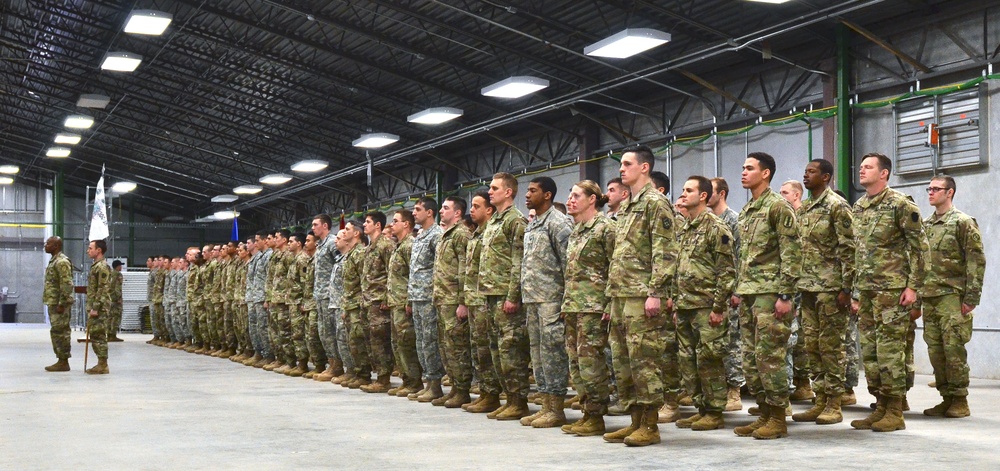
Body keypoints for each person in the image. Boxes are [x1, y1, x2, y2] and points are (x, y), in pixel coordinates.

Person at [603, 145, 679, 447]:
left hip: (641, 295)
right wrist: (611, 298)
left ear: (644, 168)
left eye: (627, 164)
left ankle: (650, 424)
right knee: (623, 361)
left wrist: (656, 292)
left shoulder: (655, 203)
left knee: (644, 360)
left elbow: (665, 250)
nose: (622, 169)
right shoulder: (629, 206)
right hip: (622, 295)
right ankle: (635, 419)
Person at [850, 152, 927, 433]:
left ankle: (895, 409)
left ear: (884, 174)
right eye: (861, 167)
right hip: (868, 290)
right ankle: (880, 405)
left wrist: (913, 287)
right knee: (870, 351)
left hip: (893, 290)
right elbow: (856, 252)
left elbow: (920, 247)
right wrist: (856, 291)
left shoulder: (900, 204)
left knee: (890, 350)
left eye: (868, 167)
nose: (861, 170)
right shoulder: (859, 206)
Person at [731, 152, 800, 440]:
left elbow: (792, 252)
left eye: (750, 168)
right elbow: (744, 256)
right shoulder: (748, 211)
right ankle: (764, 413)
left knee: (770, 357)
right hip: (749, 292)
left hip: (771, 294)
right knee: (751, 359)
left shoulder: (778, 207)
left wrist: (786, 294)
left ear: (766, 173)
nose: (744, 172)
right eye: (743, 167)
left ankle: (778, 417)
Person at [790, 160, 855, 425]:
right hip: (807, 287)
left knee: (831, 347)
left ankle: (835, 402)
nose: (806, 175)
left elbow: (849, 248)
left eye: (812, 172)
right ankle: (819, 399)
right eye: (804, 171)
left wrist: (847, 288)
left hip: (830, 288)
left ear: (826, 176)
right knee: (811, 346)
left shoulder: (837, 206)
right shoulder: (805, 208)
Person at [671, 176, 736, 431]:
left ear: (704, 196)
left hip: (707, 306)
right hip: (686, 305)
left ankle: (714, 410)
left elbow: (726, 272)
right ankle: (700, 407)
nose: (684, 194)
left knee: (709, 360)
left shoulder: (716, 228)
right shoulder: (686, 228)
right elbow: (679, 269)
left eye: (689, 190)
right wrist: (677, 304)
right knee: (688, 361)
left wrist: (719, 308)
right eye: (683, 189)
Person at [920, 175, 985, 418]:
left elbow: (976, 261)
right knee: (935, 351)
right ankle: (946, 397)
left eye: (936, 189)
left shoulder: (963, 222)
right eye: (929, 188)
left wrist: (971, 297)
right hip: (930, 295)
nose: (931, 192)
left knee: (953, 349)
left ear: (950, 193)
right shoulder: (926, 225)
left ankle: (960, 399)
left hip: (952, 295)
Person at [560, 180, 616, 436]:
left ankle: (596, 415)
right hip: (574, 305)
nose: (570, 200)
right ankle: (586, 412)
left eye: (576, 195)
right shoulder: (577, 231)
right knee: (576, 363)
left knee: (591, 363)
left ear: (592, 199)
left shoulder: (604, 228)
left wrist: (609, 301)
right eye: (570, 196)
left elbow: (615, 267)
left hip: (594, 307)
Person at [519, 177, 573, 428]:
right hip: (533, 299)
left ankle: (557, 408)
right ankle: (545, 405)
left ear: (548, 195)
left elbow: (568, 264)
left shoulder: (558, 223)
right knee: (538, 355)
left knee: (553, 355)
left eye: (533, 191)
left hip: (552, 299)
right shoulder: (533, 224)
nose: (528, 195)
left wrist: (566, 301)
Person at [480, 172, 531, 420]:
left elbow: (518, 262)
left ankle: (519, 400)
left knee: (511, 350)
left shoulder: (515, 221)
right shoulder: (494, 221)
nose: (490, 191)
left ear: (508, 192)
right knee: (497, 350)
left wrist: (513, 296)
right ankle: (508, 398)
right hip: (491, 294)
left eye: (494, 188)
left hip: (505, 296)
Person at [462, 191, 502, 413]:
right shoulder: (476, 234)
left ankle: (492, 393)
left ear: (489, 210)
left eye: (476, 206)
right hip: (473, 299)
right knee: (478, 348)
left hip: (485, 300)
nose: (472, 210)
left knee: (487, 349)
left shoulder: (490, 233)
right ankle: (485, 391)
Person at [432, 197, 474, 408]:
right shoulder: (445, 236)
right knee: (446, 347)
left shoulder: (461, 235)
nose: (441, 211)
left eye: (446, 208)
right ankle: (455, 388)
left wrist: (462, 302)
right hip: (442, 299)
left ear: (457, 213)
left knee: (457, 347)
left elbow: (464, 270)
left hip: (453, 300)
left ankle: (463, 390)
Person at [709, 177, 744, 411]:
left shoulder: (732, 220)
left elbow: (740, 255)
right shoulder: (709, 221)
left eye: (709, 190)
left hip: (730, 288)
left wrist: (736, 289)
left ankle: (734, 390)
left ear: (721, 193)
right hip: (712, 289)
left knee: (732, 341)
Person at [408, 198, 446, 401]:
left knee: (431, 342)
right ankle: (428, 382)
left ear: (429, 212)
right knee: (421, 342)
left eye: (417, 209)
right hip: (417, 296)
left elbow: (439, 268)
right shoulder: (420, 236)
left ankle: (436, 385)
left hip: (429, 297)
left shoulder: (436, 235)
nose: (414, 213)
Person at [779, 180, 813, 402]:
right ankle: (798, 384)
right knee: (793, 339)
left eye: (784, 192)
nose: (780, 196)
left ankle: (802, 383)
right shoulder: (783, 217)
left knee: (802, 340)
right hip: (795, 284)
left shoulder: (805, 216)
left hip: (809, 282)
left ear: (797, 194)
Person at [386, 210, 423, 396]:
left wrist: (409, 300)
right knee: (398, 343)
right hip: (395, 301)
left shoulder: (410, 245)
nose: (392, 224)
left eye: (395, 221)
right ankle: (406, 379)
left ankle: (415, 381)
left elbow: (414, 275)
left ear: (406, 224)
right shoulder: (398, 246)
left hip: (403, 302)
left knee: (407, 342)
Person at [360, 211, 396, 393]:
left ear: (377, 225)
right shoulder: (370, 247)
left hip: (379, 301)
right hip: (368, 301)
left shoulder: (386, 245)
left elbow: (392, 272)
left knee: (380, 341)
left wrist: (387, 298)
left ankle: (384, 379)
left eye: (367, 222)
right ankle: (379, 375)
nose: (364, 225)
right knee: (371, 341)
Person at [312, 215, 344, 381]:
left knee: (330, 332)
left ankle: (337, 366)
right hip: (320, 294)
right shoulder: (320, 245)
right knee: (323, 331)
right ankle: (331, 363)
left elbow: (340, 264)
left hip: (330, 295)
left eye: (316, 225)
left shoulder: (332, 243)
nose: (313, 228)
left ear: (325, 226)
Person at [341, 220, 372, 389]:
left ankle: (364, 374)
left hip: (357, 304)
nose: (343, 232)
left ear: (356, 233)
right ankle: (357, 372)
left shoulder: (360, 253)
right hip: (350, 303)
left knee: (358, 340)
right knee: (352, 341)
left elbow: (364, 280)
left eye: (347, 229)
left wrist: (361, 304)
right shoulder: (351, 253)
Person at [43, 236, 75, 372]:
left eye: (48, 243)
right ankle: (61, 359)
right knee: (56, 331)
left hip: (59, 304)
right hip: (54, 302)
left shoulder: (61, 262)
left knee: (61, 331)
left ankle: (63, 361)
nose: (45, 245)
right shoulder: (54, 261)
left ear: (56, 246)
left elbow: (67, 284)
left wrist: (62, 303)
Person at [329, 229, 356, 385]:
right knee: (339, 338)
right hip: (336, 304)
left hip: (344, 304)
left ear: (347, 241)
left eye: (338, 238)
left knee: (346, 339)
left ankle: (352, 370)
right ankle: (347, 369)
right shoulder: (340, 259)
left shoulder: (348, 260)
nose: (335, 241)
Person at [85, 239, 113, 375]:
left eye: (91, 248)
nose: (88, 251)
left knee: (99, 335)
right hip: (95, 306)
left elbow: (103, 289)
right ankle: (100, 362)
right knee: (95, 334)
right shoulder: (96, 266)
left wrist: (95, 307)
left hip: (100, 307)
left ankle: (103, 364)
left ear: (99, 250)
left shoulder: (102, 267)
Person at [108, 260, 124, 342]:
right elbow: (117, 287)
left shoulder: (110, 273)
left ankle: (108, 334)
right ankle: (113, 335)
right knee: (116, 317)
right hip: (115, 300)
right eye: (120, 265)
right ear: (117, 266)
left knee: (110, 317)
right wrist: (118, 298)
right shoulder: (118, 274)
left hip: (110, 298)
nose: (121, 267)